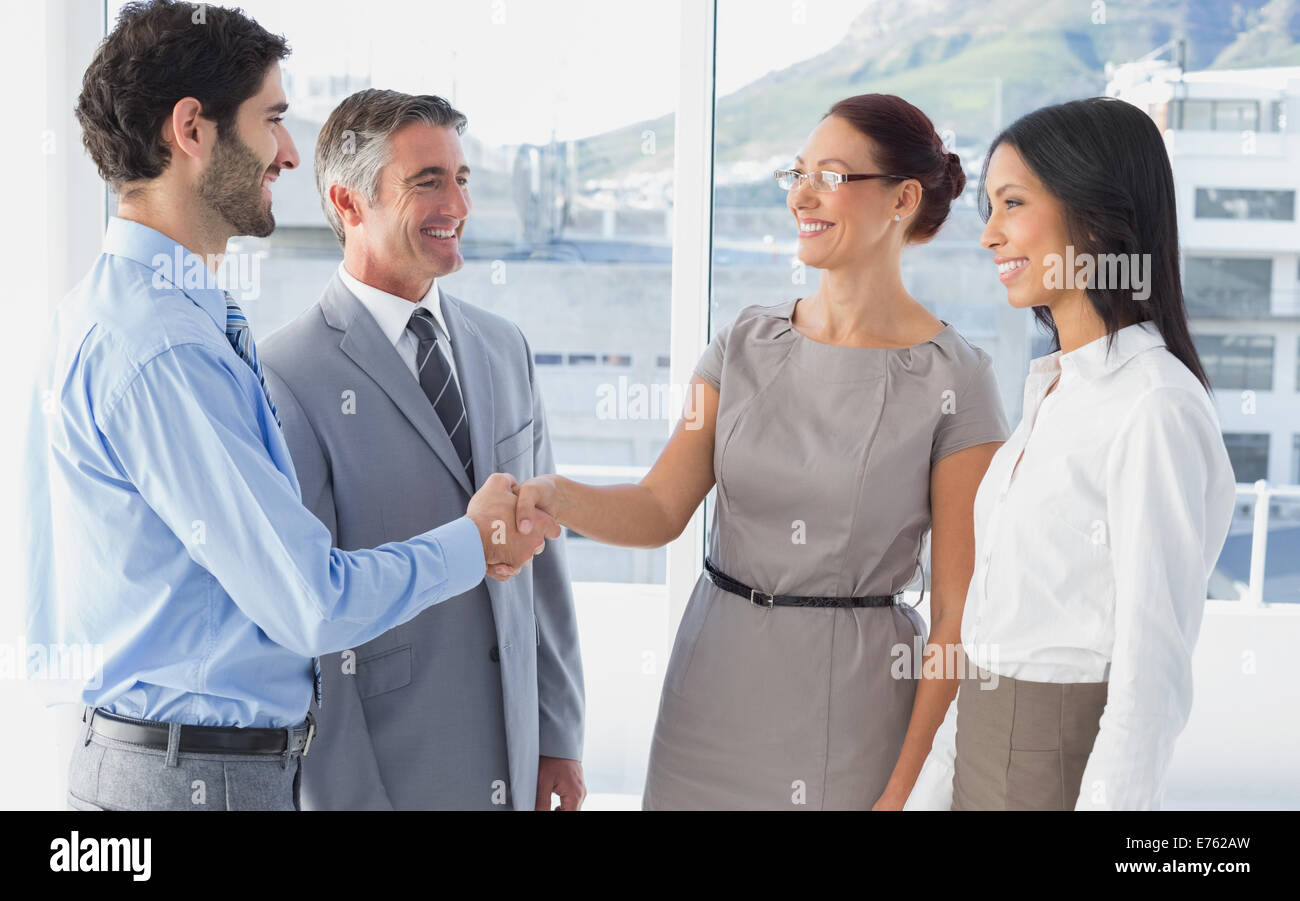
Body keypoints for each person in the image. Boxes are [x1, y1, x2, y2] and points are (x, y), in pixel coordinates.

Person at [23, 0, 552, 812]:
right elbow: (312, 601)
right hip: (196, 781)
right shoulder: (164, 347)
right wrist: (474, 542)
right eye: (271, 119)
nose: (289, 152)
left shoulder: (120, 312)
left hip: (173, 767)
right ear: (192, 130)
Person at [514, 94, 1011, 809]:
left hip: (856, 709)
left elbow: (958, 616)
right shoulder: (743, 342)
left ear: (902, 198)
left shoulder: (957, 378)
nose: (802, 195)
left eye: (831, 177)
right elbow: (659, 506)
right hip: (710, 690)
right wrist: (554, 494)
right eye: (797, 173)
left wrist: (905, 790)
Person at [905, 97, 1236, 810]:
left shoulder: (1153, 406)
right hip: (976, 767)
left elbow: (1150, 682)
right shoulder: (1052, 395)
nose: (990, 235)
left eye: (1012, 203)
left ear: (1092, 212)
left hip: (1053, 782)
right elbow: (987, 652)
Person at [260, 89, 585, 811]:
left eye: (461, 178)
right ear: (349, 204)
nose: (458, 205)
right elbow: (309, 626)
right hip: (394, 769)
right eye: (427, 182)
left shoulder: (505, 347)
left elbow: (546, 560)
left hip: (517, 746)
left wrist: (558, 732)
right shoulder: (285, 374)